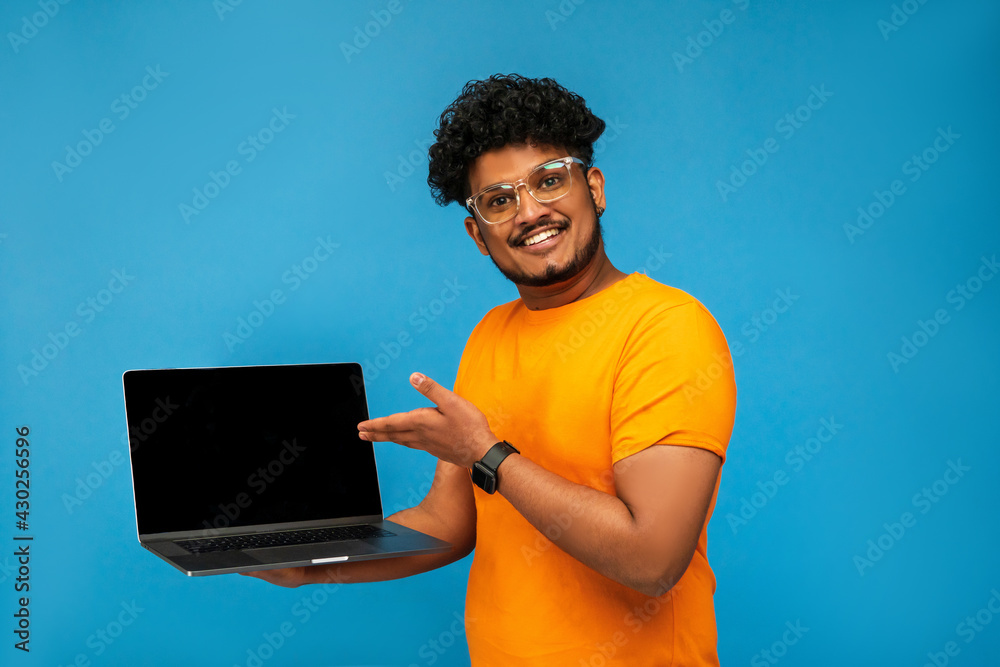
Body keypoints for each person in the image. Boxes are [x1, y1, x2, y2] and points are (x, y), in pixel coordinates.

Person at [245, 73, 737, 666]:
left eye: (549, 180)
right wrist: (312, 564)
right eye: (499, 200)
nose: (530, 212)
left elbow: (652, 559)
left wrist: (487, 453)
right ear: (478, 234)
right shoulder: (490, 335)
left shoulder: (667, 328)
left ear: (595, 188)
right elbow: (450, 523)